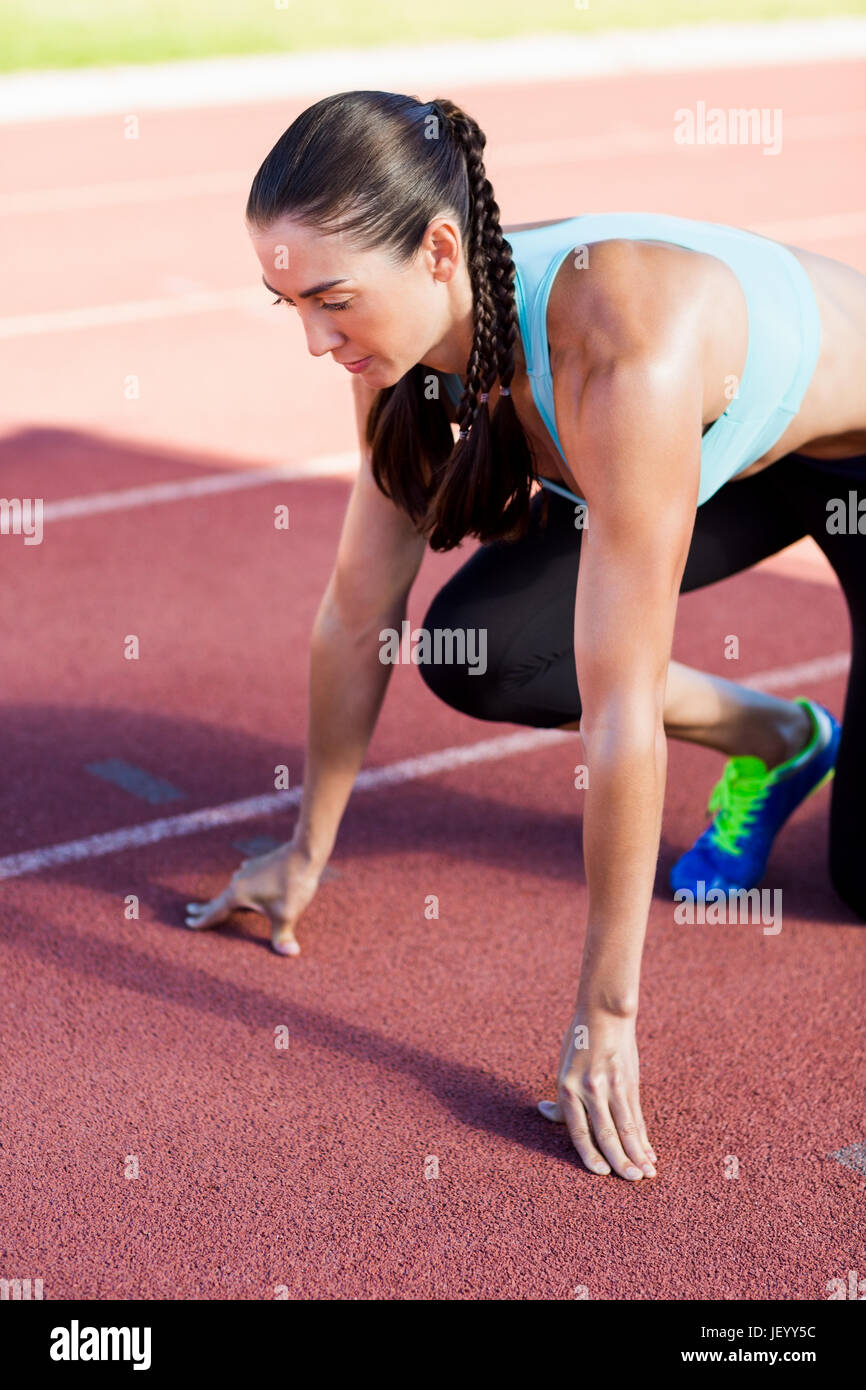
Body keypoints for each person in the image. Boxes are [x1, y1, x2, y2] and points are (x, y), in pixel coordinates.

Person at [185, 91, 866, 1183]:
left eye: (331, 301)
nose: (315, 341)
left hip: (838, 446)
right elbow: (358, 611)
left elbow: (621, 706)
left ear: (439, 249)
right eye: (287, 305)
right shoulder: (401, 350)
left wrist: (606, 1012)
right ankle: (779, 738)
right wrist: (302, 849)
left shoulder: (615, 355)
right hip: (732, 446)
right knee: (492, 647)